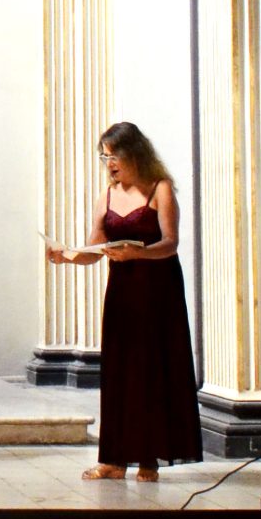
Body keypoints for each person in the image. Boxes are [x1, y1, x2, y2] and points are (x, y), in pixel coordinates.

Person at [49, 122, 202, 480]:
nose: (109, 163)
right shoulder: (107, 195)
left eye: (114, 155)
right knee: (119, 370)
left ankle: (148, 459)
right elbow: (95, 248)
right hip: (122, 291)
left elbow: (170, 243)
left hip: (158, 290)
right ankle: (114, 458)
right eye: (104, 156)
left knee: (150, 370)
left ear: (134, 152)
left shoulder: (159, 189)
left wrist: (139, 253)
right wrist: (65, 255)